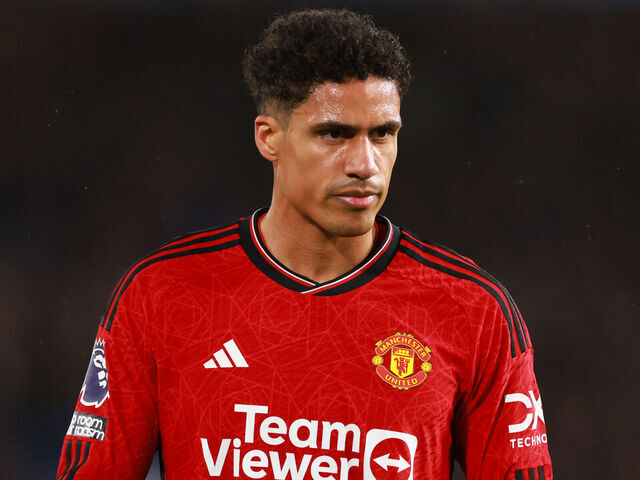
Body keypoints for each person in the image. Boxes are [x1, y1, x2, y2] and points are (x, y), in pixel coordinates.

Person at [56, 9, 552, 480]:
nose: (365, 164)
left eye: (383, 133)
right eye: (334, 134)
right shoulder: (162, 294)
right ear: (269, 137)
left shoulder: (473, 311)